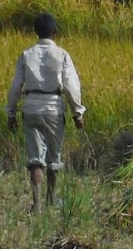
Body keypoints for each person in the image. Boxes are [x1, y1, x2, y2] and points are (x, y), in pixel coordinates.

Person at [6, 12, 85, 214]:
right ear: (55, 32)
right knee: (53, 158)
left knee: (35, 159)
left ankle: (37, 203)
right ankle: (52, 198)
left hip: (31, 107)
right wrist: (78, 112)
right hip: (53, 108)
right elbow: (71, 85)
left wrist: (11, 112)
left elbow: (16, 86)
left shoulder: (26, 54)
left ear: (35, 32)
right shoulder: (62, 55)